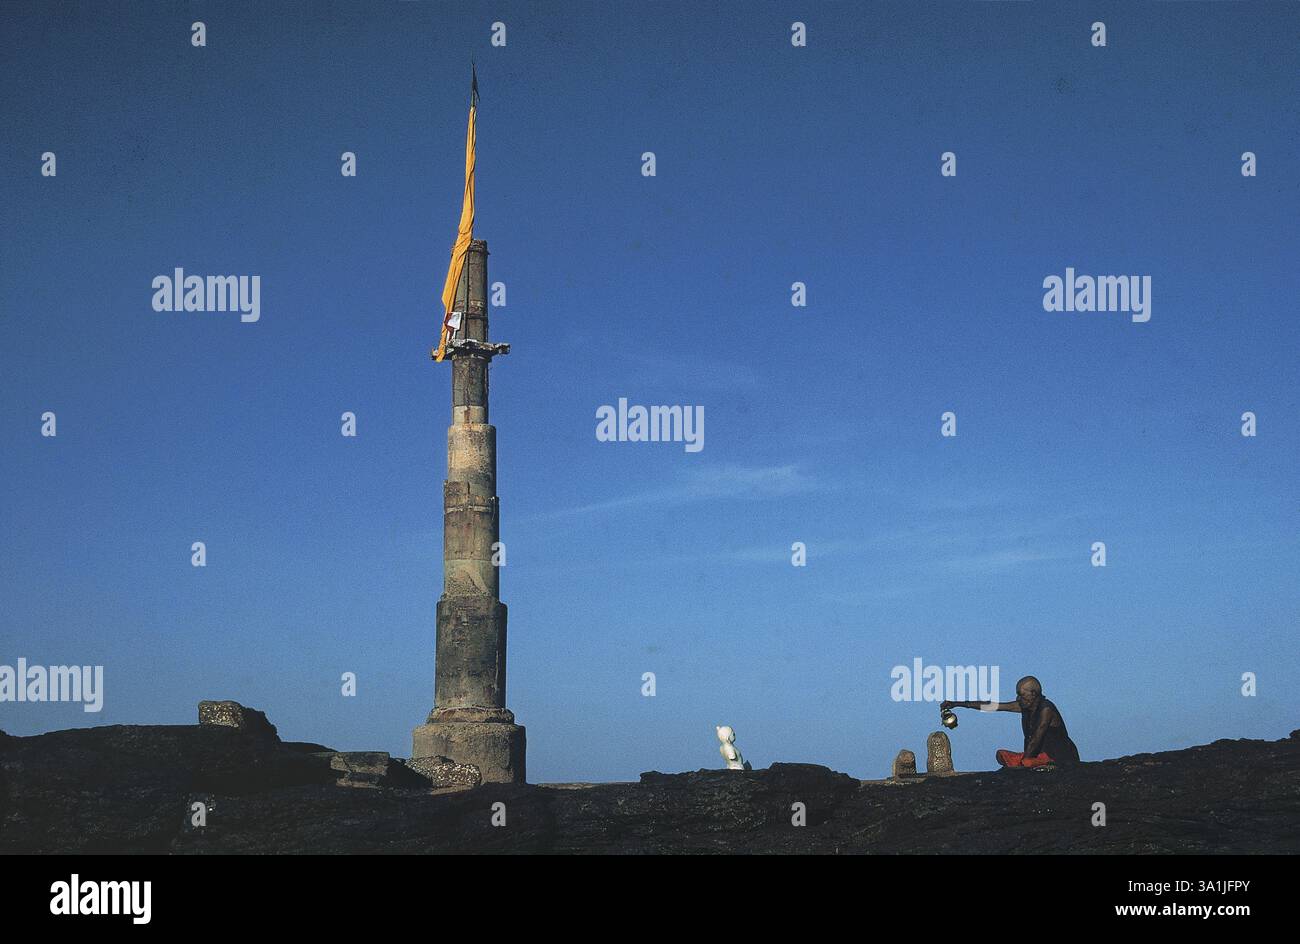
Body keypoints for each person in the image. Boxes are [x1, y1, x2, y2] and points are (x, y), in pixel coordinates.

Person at [941, 676, 1080, 768]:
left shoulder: (1046, 708)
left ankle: (1029, 760)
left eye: (1021, 694)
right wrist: (958, 704)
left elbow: (1037, 738)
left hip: (1059, 757)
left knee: (1027, 761)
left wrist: (1023, 762)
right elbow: (993, 706)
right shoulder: (1023, 706)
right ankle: (1027, 760)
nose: (1018, 698)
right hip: (1036, 755)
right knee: (1001, 754)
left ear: (1033, 694)